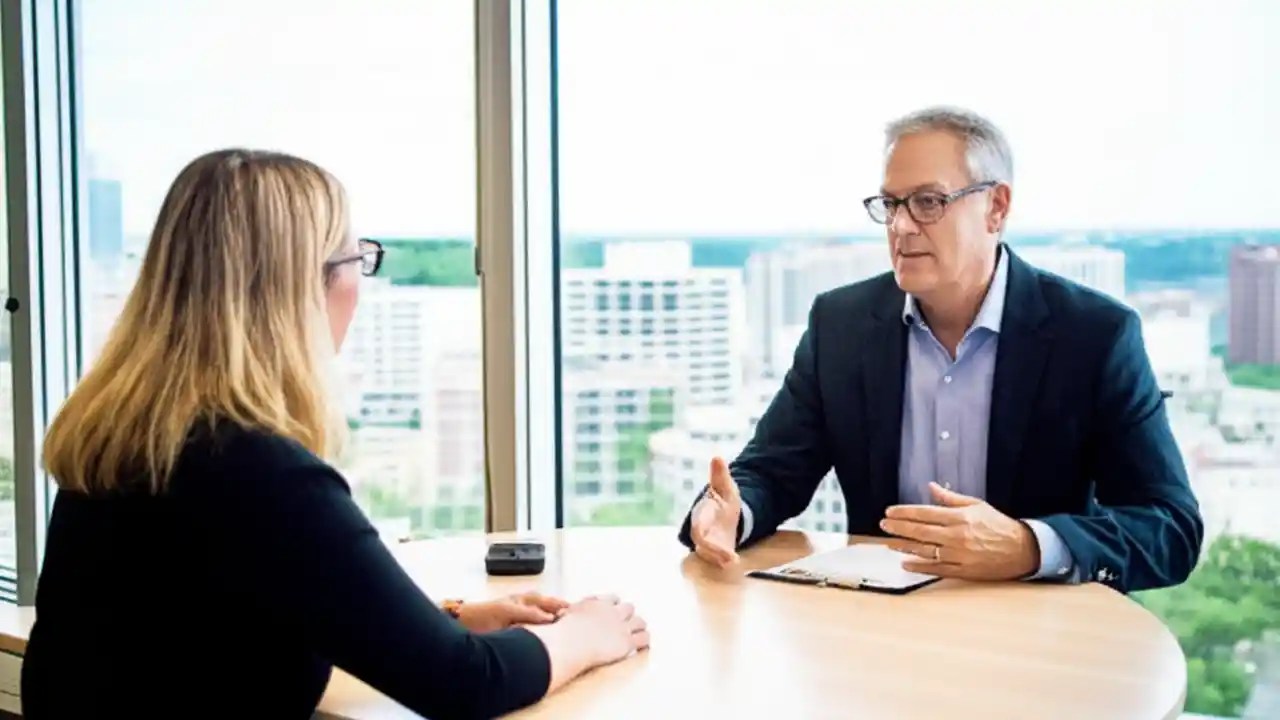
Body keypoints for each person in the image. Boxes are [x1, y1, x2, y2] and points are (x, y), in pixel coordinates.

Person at [21, 149, 649, 719]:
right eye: (356, 259)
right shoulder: (256, 469)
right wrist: (586, 634)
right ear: (297, 286)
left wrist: (447, 620)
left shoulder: (133, 436)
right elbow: (464, 683)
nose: (360, 283)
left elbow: (223, 619)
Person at [680, 107, 1203, 594]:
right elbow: (772, 472)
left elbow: (1170, 528)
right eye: (891, 204)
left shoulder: (1094, 335)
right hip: (879, 627)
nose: (901, 226)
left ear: (996, 207)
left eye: (928, 202)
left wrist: (1029, 546)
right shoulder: (841, 325)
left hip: (1037, 630)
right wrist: (731, 513)